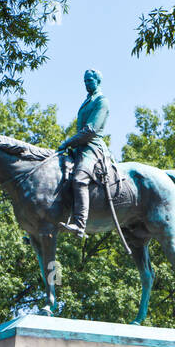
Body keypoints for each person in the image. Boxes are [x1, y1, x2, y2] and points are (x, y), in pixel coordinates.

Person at [58, 68, 110, 237]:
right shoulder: (87, 101)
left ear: (98, 81)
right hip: (79, 148)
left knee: (80, 178)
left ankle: (79, 225)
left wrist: (67, 142)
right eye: (85, 81)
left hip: (92, 147)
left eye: (90, 80)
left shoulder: (101, 101)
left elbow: (90, 130)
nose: (87, 84)